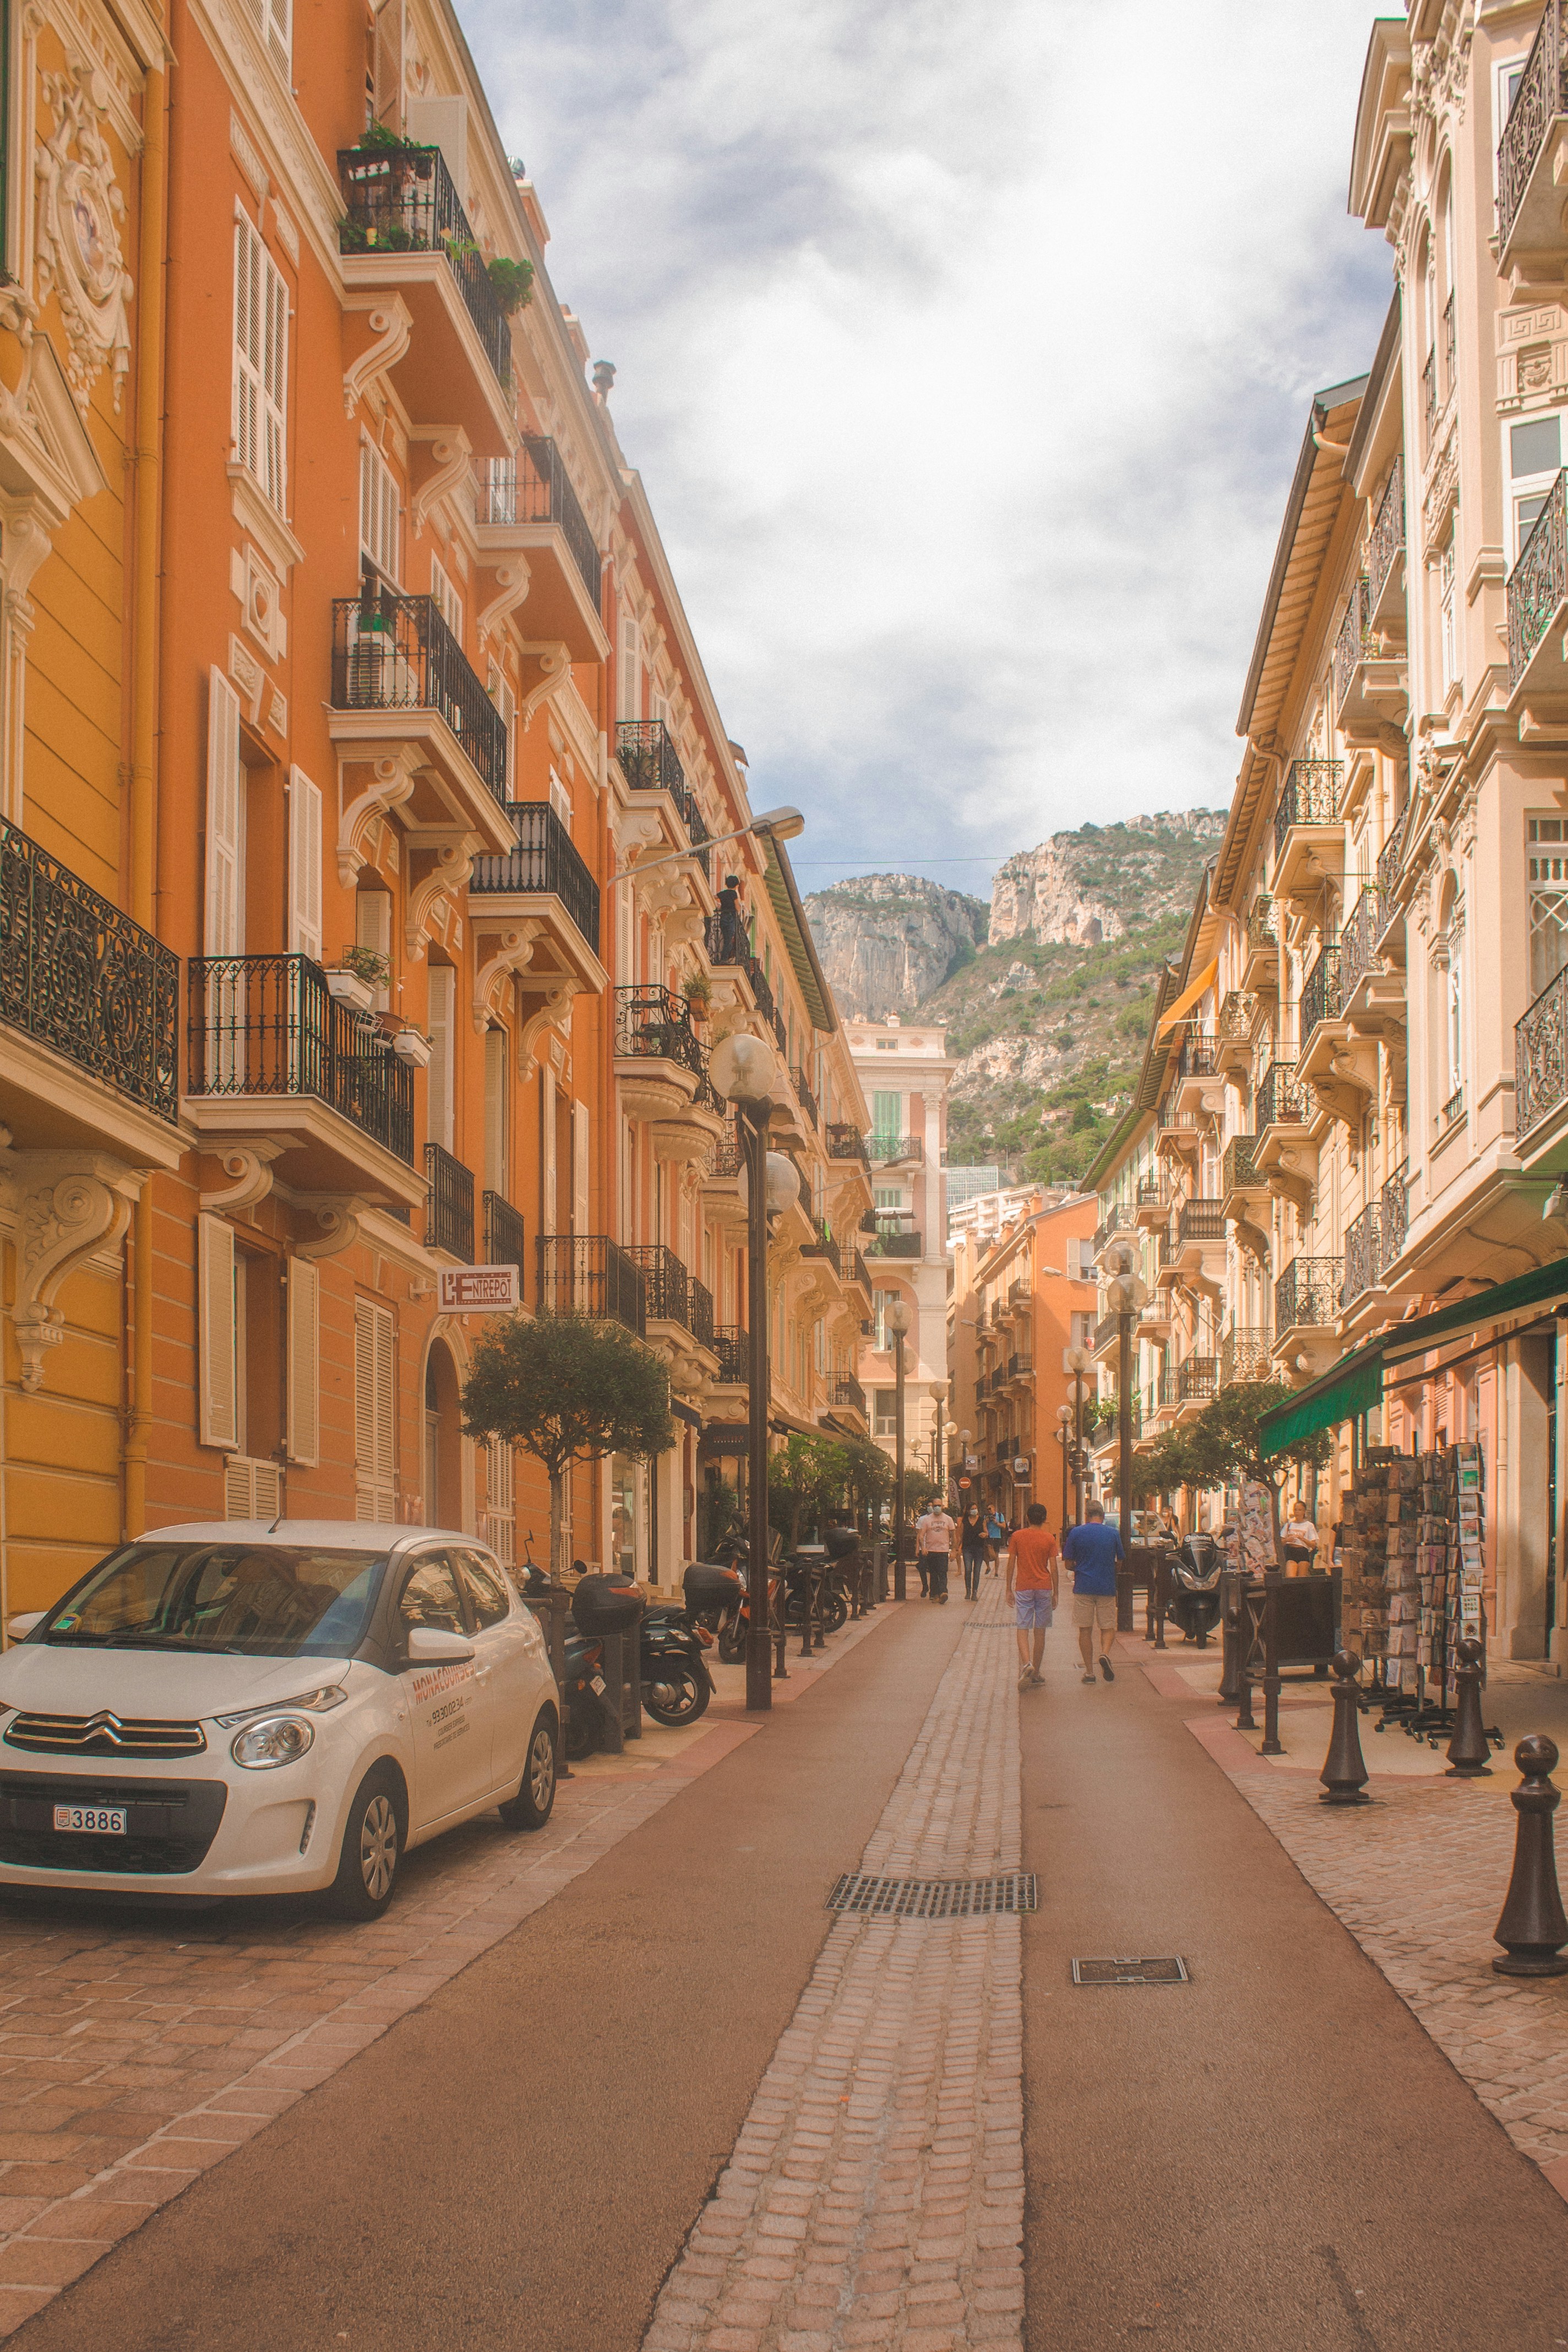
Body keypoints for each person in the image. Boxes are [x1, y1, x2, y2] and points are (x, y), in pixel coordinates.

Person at [1062, 1500, 1124, 1685]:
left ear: (1087, 1516)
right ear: (1103, 1516)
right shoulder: (1113, 1533)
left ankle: (1089, 1672)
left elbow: (1068, 1562)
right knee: (1108, 1626)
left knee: (1085, 1629)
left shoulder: (1076, 1533)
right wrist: (1111, 1570)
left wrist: (1079, 1566)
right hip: (1106, 1585)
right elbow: (1120, 1560)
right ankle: (1104, 1653)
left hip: (1083, 1586)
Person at [1005, 1502, 1059, 1690]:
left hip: (1024, 1587)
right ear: (1044, 1519)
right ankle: (1036, 1672)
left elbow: (1011, 1563)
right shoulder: (1049, 1539)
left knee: (1023, 1626)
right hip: (1044, 1587)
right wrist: (1056, 1592)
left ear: (1027, 1518)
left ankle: (1027, 1663)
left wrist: (1008, 1588)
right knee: (1040, 1630)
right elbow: (1054, 1568)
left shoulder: (1017, 1537)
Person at [914, 1499, 957, 1603]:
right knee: (933, 1573)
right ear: (933, 1507)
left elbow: (954, 1536)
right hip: (931, 1550)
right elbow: (921, 1536)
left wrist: (954, 1551)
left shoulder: (948, 1519)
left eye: (939, 1505)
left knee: (943, 1572)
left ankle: (943, 1592)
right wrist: (923, 1548)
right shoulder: (927, 1520)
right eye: (935, 1506)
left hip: (943, 1550)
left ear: (943, 1506)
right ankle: (935, 1594)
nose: (937, 1508)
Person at [1281, 1502, 1321, 1575]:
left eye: (1300, 1510)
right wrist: (1287, 1540)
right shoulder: (1289, 1525)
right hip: (1291, 1552)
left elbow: (1313, 1545)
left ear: (1304, 1511)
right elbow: (1280, 1542)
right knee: (1291, 1578)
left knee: (1301, 1578)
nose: (1297, 1512)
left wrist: (1303, 1539)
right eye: (1295, 1510)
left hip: (1303, 1552)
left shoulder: (1309, 1526)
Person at [716, 872, 746, 962]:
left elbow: (715, 897)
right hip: (730, 918)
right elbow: (737, 907)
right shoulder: (733, 894)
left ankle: (723, 957)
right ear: (736, 885)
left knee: (725, 937)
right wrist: (740, 909)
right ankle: (724, 958)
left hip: (723, 917)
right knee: (729, 940)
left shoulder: (723, 893)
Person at [960, 1506, 987, 1601]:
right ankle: (968, 1591)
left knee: (977, 1571)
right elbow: (960, 1535)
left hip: (979, 1548)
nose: (975, 1510)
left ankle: (975, 1592)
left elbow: (986, 1532)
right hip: (967, 1549)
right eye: (972, 1508)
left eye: (976, 1508)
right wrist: (957, 1549)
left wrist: (985, 1534)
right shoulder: (965, 1521)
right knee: (968, 1569)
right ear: (968, 1510)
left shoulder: (981, 1520)